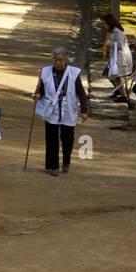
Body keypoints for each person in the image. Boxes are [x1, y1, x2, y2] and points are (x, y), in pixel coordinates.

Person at [33, 47, 89, 176]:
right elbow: (40, 90)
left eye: (60, 60)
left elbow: (81, 93)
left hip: (68, 109)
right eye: (55, 60)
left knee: (67, 138)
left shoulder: (73, 73)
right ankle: (53, 166)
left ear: (66, 60)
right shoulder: (45, 72)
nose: (58, 63)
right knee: (51, 139)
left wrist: (84, 111)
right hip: (51, 109)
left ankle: (66, 161)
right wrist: (37, 95)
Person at [103, 13, 133, 102]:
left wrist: (109, 44)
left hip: (121, 57)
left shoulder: (118, 32)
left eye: (105, 23)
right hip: (115, 57)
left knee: (116, 76)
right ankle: (119, 90)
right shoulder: (112, 32)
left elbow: (120, 45)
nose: (104, 25)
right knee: (108, 73)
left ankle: (123, 96)